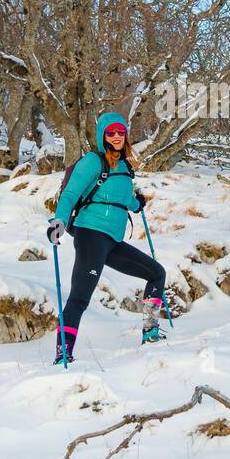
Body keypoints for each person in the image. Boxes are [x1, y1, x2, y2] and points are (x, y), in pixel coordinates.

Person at [46, 112, 166, 364]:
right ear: (103, 136)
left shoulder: (125, 168)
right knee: (80, 297)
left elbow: (122, 200)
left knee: (156, 273)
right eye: (110, 132)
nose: (116, 137)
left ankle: (151, 331)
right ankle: (63, 352)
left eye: (120, 132)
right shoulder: (92, 161)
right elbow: (70, 194)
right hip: (90, 234)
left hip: (112, 240)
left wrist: (137, 204)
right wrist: (58, 220)